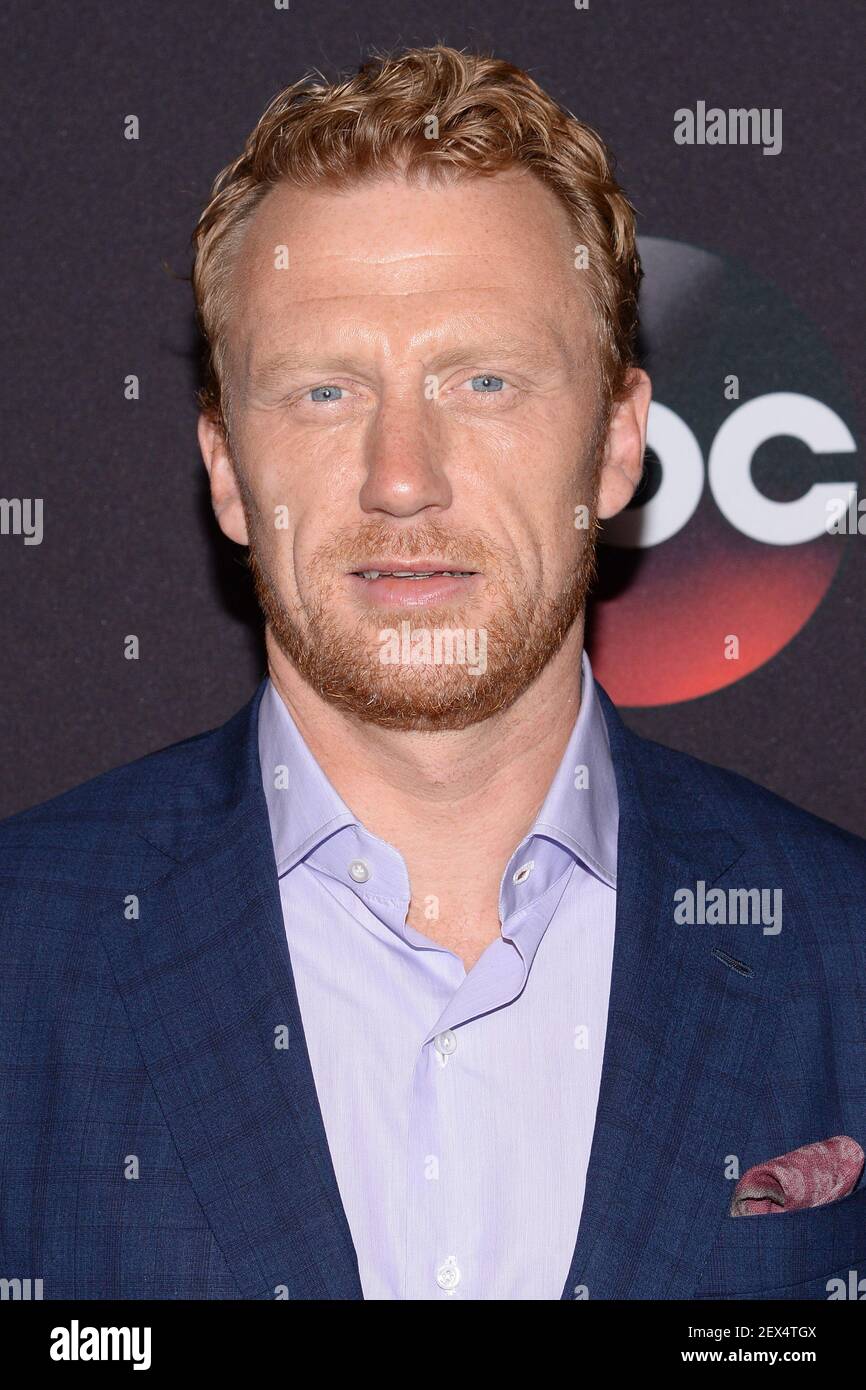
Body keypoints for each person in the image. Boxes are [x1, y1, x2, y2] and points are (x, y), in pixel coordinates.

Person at [1, 46, 864, 1302]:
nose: (401, 474)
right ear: (228, 470)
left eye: (484, 379)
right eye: (322, 388)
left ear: (617, 444)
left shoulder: (840, 944)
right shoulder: (22, 954)